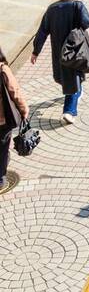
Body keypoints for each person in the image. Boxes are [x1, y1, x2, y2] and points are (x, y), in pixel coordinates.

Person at [31, 0, 89, 123]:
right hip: (76, 50)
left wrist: (36, 51)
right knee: (74, 79)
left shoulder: (51, 9)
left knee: (71, 77)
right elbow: (87, 22)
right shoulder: (78, 5)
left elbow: (42, 32)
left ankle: (76, 94)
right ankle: (68, 111)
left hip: (59, 53)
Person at [0, 48, 29, 189]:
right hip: (2, 118)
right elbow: (15, 92)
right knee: (3, 147)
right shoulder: (3, 69)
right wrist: (24, 110)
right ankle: (1, 180)